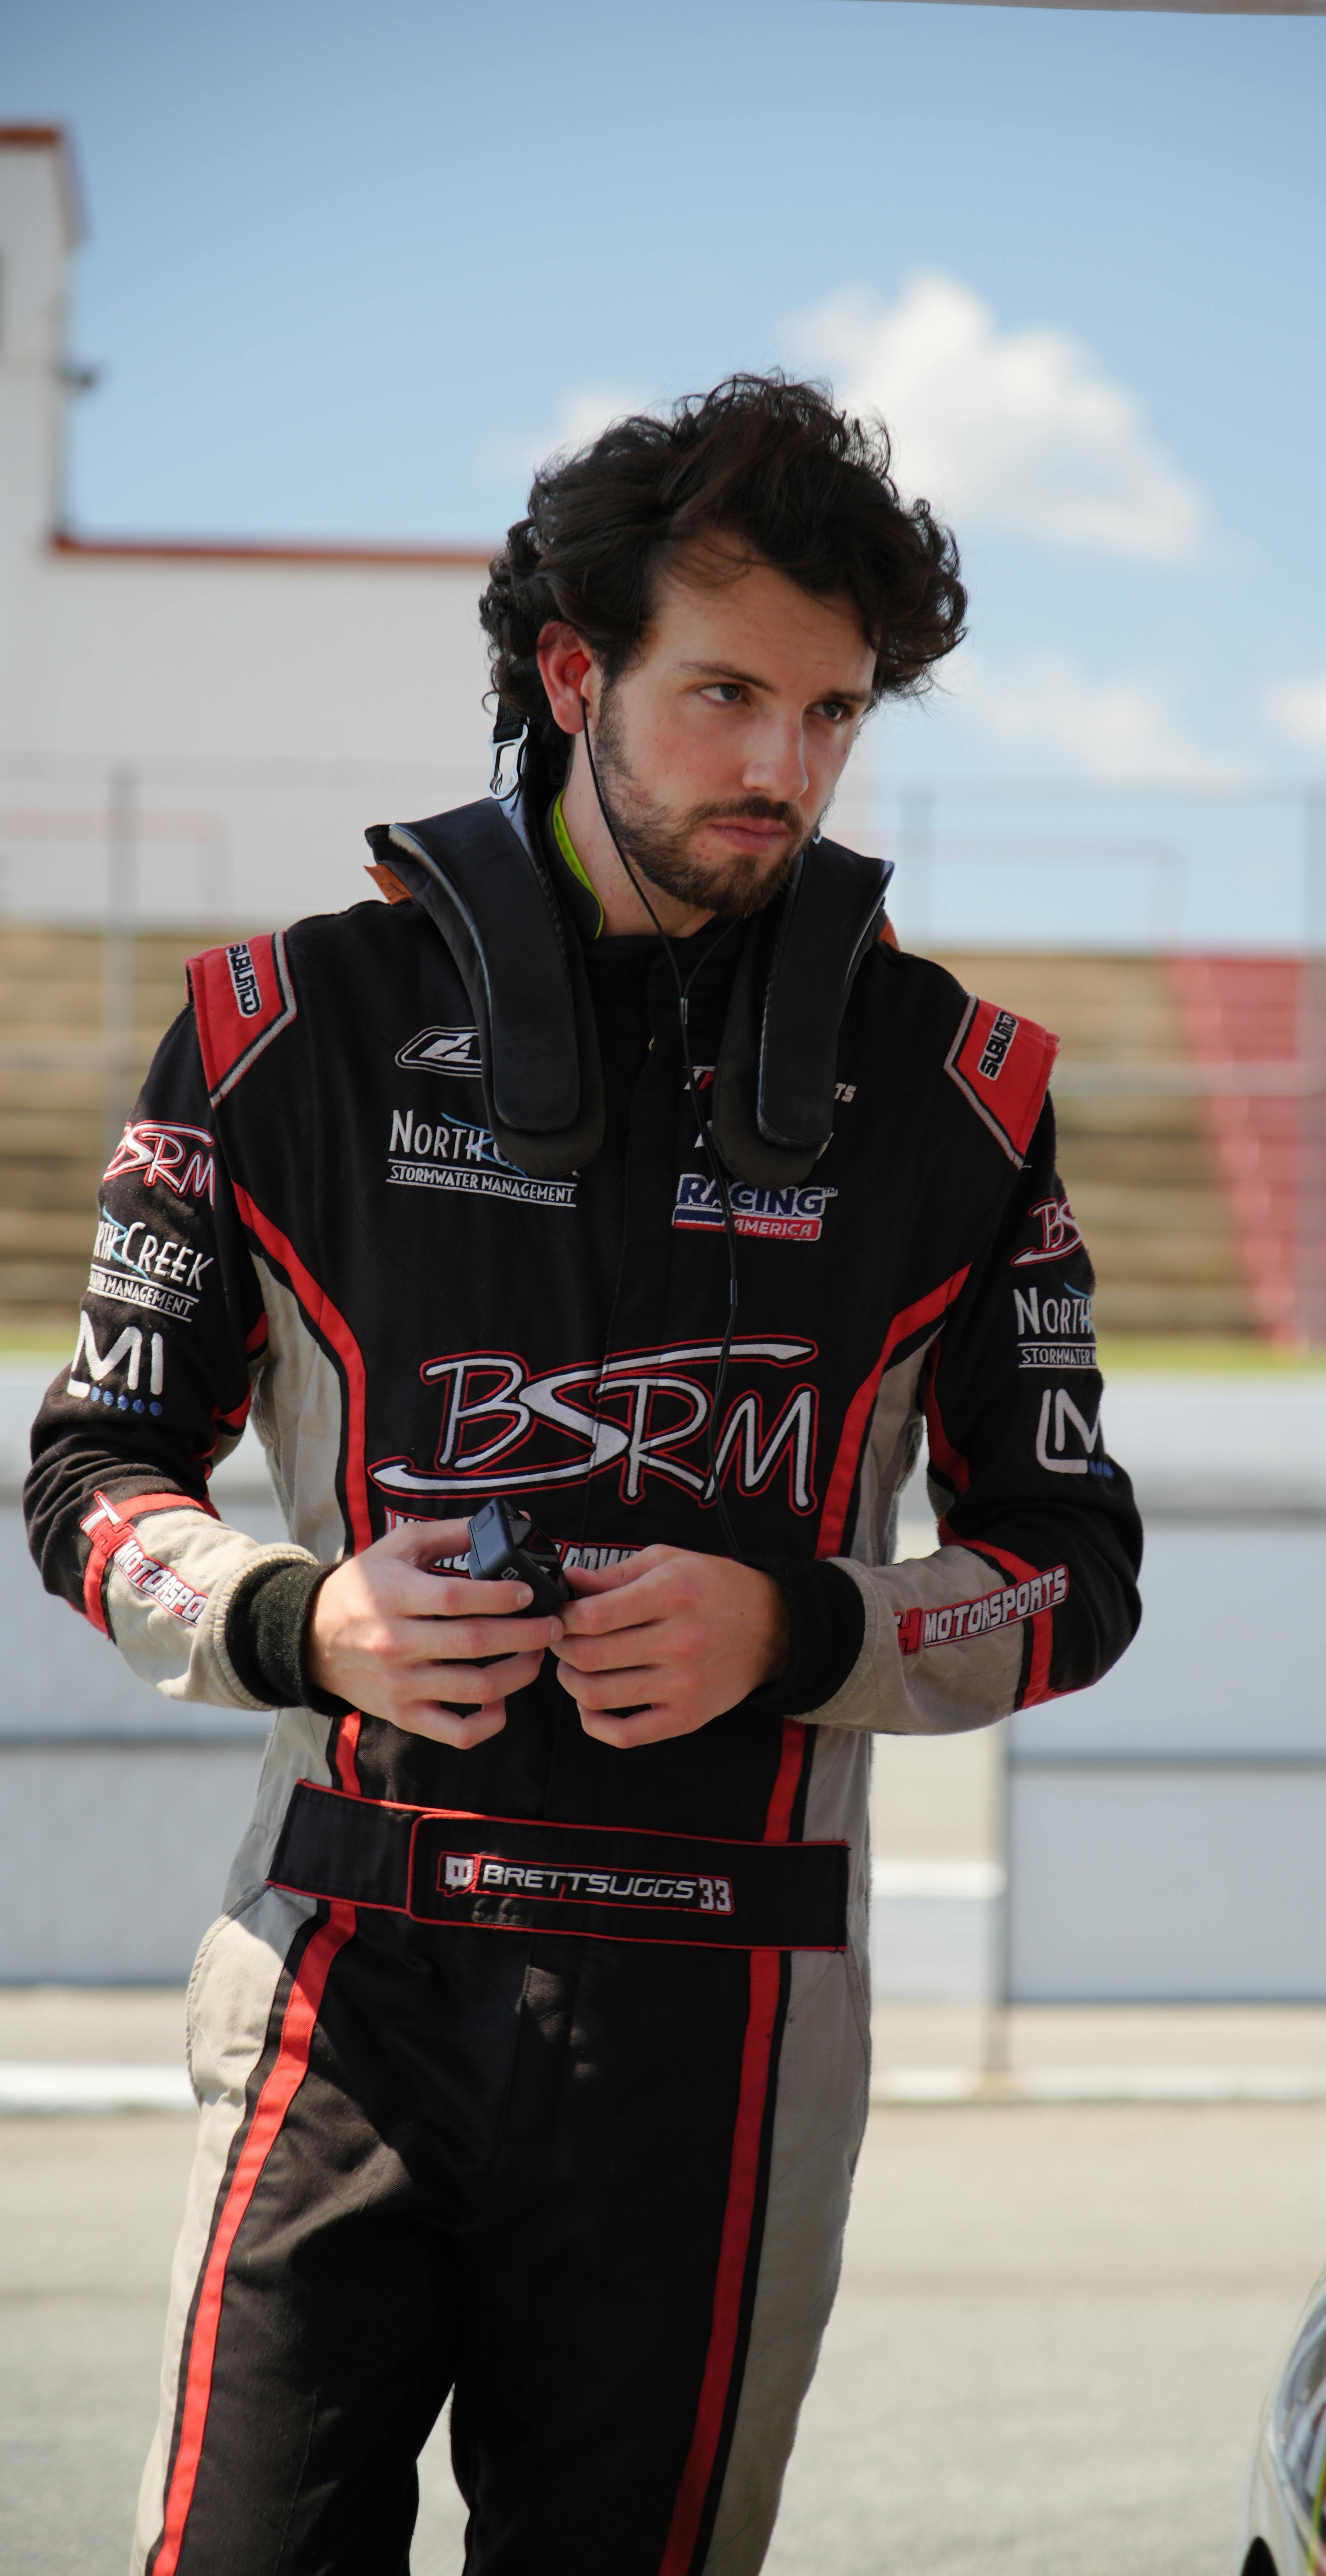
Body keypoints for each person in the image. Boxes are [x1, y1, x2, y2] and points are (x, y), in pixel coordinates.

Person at [26, 375, 1142, 2576]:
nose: (781, 769)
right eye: (726, 693)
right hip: (343, 1975)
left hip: (730, 2022)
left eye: (832, 715)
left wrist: (805, 1627)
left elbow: (1072, 1569)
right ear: (573, 674)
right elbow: (86, 1471)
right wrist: (291, 1616)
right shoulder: (282, 1027)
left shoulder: (962, 1094)